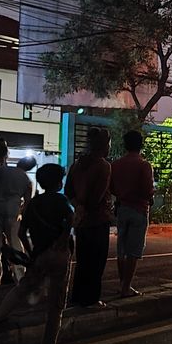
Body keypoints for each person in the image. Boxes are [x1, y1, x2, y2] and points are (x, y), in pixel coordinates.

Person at [0, 163, 74, 344]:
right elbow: (70, 221)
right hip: (59, 256)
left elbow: (20, 233)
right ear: (58, 182)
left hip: (39, 255)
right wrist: (62, 241)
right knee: (55, 308)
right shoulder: (62, 201)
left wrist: (31, 252)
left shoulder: (34, 203)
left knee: (24, 287)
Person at [66, 127, 113, 309]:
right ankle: (91, 299)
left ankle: (77, 296)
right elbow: (98, 196)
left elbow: (69, 191)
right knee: (96, 261)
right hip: (98, 218)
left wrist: (78, 207)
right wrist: (87, 207)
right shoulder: (103, 166)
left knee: (82, 260)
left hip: (81, 221)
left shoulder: (77, 165)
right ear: (104, 145)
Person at [0, 155, 36, 285]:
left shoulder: (4, 170)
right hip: (13, 210)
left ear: (20, 161)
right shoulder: (27, 180)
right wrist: (22, 212)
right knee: (15, 242)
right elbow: (28, 201)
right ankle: (19, 275)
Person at [110, 130, 154, 298]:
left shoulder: (116, 165)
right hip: (139, 209)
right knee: (133, 251)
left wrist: (121, 194)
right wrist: (150, 194)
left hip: (121, 208)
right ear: (140, 145)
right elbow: (147, 189)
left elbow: (111, 186)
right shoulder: (144, 165)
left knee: (121, 249)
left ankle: (122, 284)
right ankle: (126, 287)